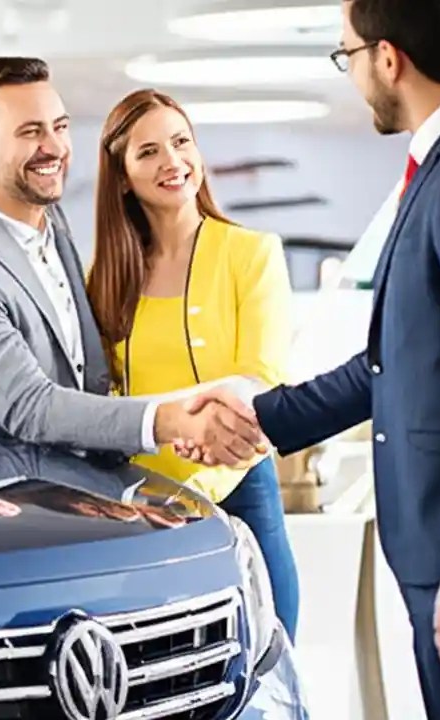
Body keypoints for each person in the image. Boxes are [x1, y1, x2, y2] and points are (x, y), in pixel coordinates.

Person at [180, 0, 440, 717]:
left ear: (388, 58)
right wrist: (260, 413)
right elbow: (397, 363)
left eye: (347, 56)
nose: (352, 76)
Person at [0, 56, 259, 457]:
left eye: (60, 127)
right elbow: (29, 407)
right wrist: (173, 421)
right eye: (31, 132)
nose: (54, 148)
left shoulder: (47, 214)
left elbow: (84, 374)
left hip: (70, 484)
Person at [86, 88, 300, 638]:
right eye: (149, 151)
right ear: (123, 176)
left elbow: (263, 377)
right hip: (137, 509)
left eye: (181, 142)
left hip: (238, 492)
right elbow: (97, 400)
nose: (172, 162)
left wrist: (202, 471)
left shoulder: (250, 253)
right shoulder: (104, 280)